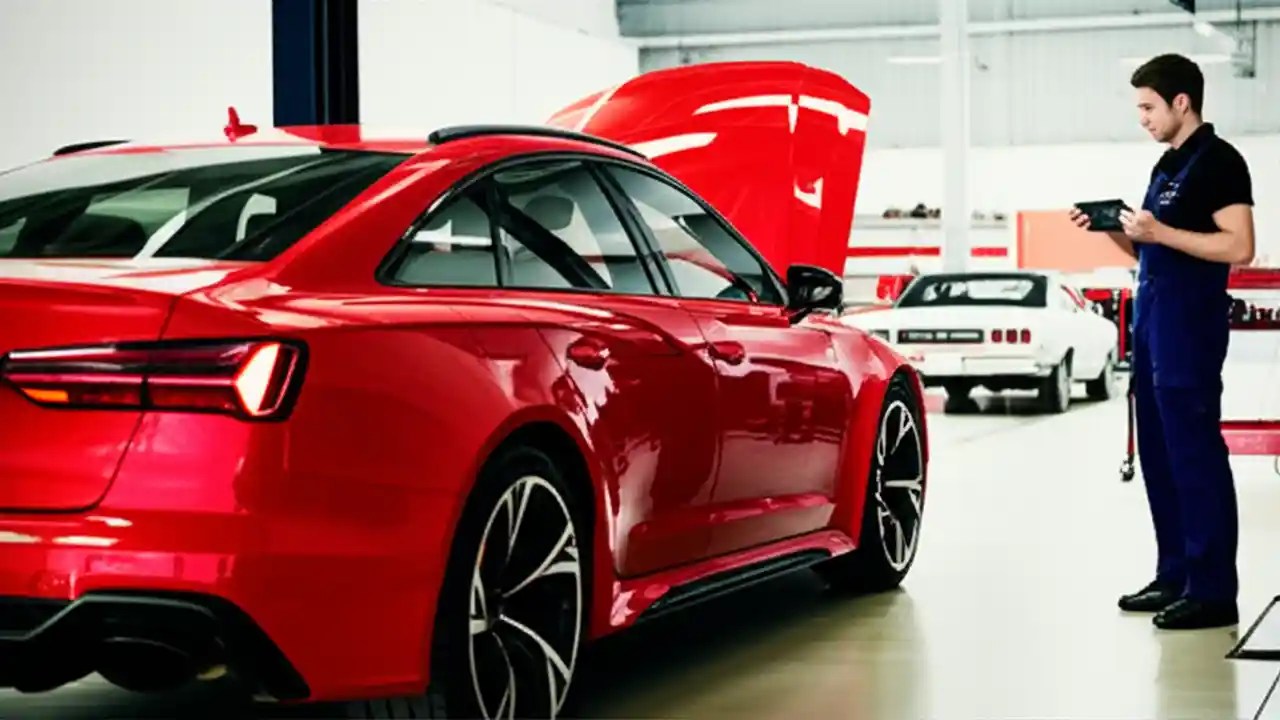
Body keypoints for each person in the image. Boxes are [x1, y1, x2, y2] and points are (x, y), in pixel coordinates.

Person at [1070, 53, 1255, 630]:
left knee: (1194, 454)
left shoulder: (1220, 162)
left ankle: (1213, 591)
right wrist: (1115, 229)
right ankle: (1174, 573)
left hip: (1190, 327)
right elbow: (1151, 246)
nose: (1143, 118)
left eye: (1149, 107)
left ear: (1182, 102)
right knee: (1158, 452)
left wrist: (1161, 230)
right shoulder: (1166, 167)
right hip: (1153, 324)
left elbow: (1239, 246)